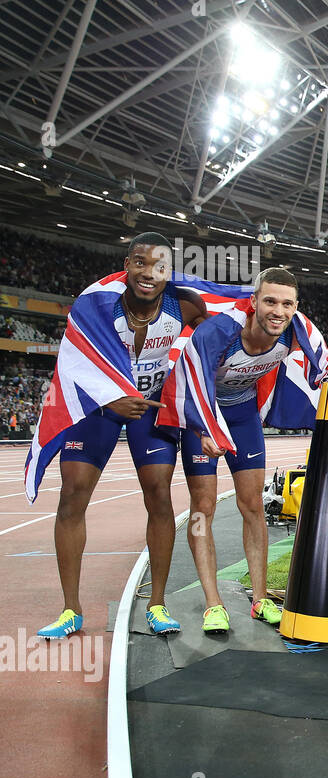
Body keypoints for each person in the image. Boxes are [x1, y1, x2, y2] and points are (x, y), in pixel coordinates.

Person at [161, 267, 328, 635]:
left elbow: (324, 360)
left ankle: (261, 599)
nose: (278, 311)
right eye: (269, 301)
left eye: (286, 303)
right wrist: (206, 428)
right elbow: (194, 380)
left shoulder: (298, 327)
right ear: (253, 303)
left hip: (243, 414)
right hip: (202, 411)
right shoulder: (219, 331)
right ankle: (213, 605)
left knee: (252, 505)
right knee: (203, 507)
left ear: (295, 306)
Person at [35, 232, 209, 638]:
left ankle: (158, 603)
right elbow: (72, 363)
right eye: (140, 262)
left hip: (149, 408)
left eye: (159, 265)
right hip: (99, 406)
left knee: (160, 495)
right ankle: (70, 611)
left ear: (170, 271)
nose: (148, 272)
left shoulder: (185, 305)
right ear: (127, 263)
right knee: (72, 494)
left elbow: (213, 344)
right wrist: (111, 399)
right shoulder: (95, 303)